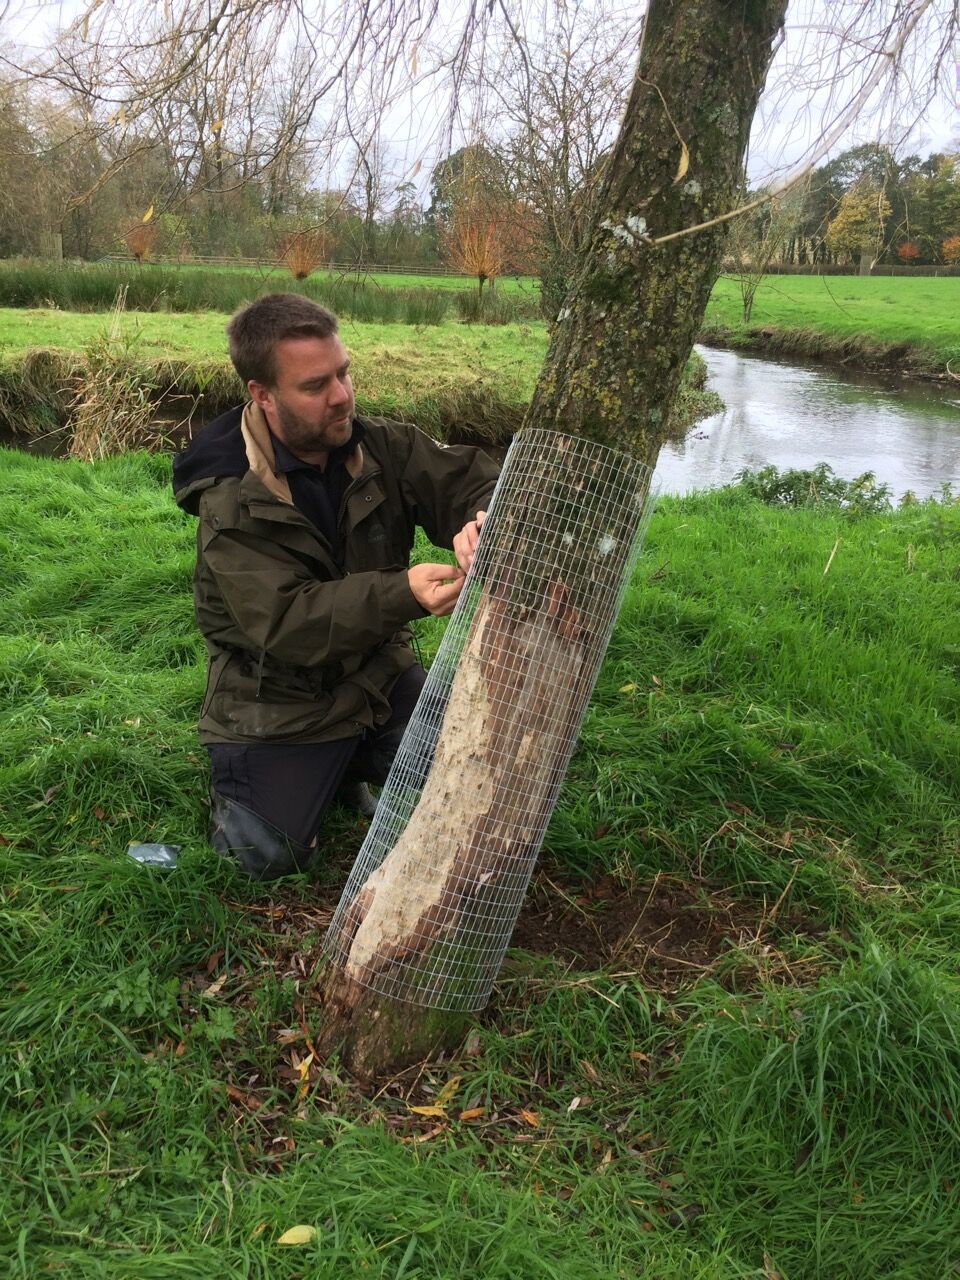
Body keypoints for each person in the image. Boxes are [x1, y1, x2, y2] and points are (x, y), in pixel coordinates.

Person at [172, 293, 499, 880]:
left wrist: (480, 520)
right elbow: (286, 622)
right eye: (316, 385)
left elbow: (472, 480)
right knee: (263, 857)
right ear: (263, 395)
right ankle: (266, 784)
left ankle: (353, 760)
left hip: (376, 676)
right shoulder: (229, 496)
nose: (342, 395)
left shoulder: (379, 447)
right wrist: (403, 593)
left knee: (477, 772)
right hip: (276, 699)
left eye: (343, 372)